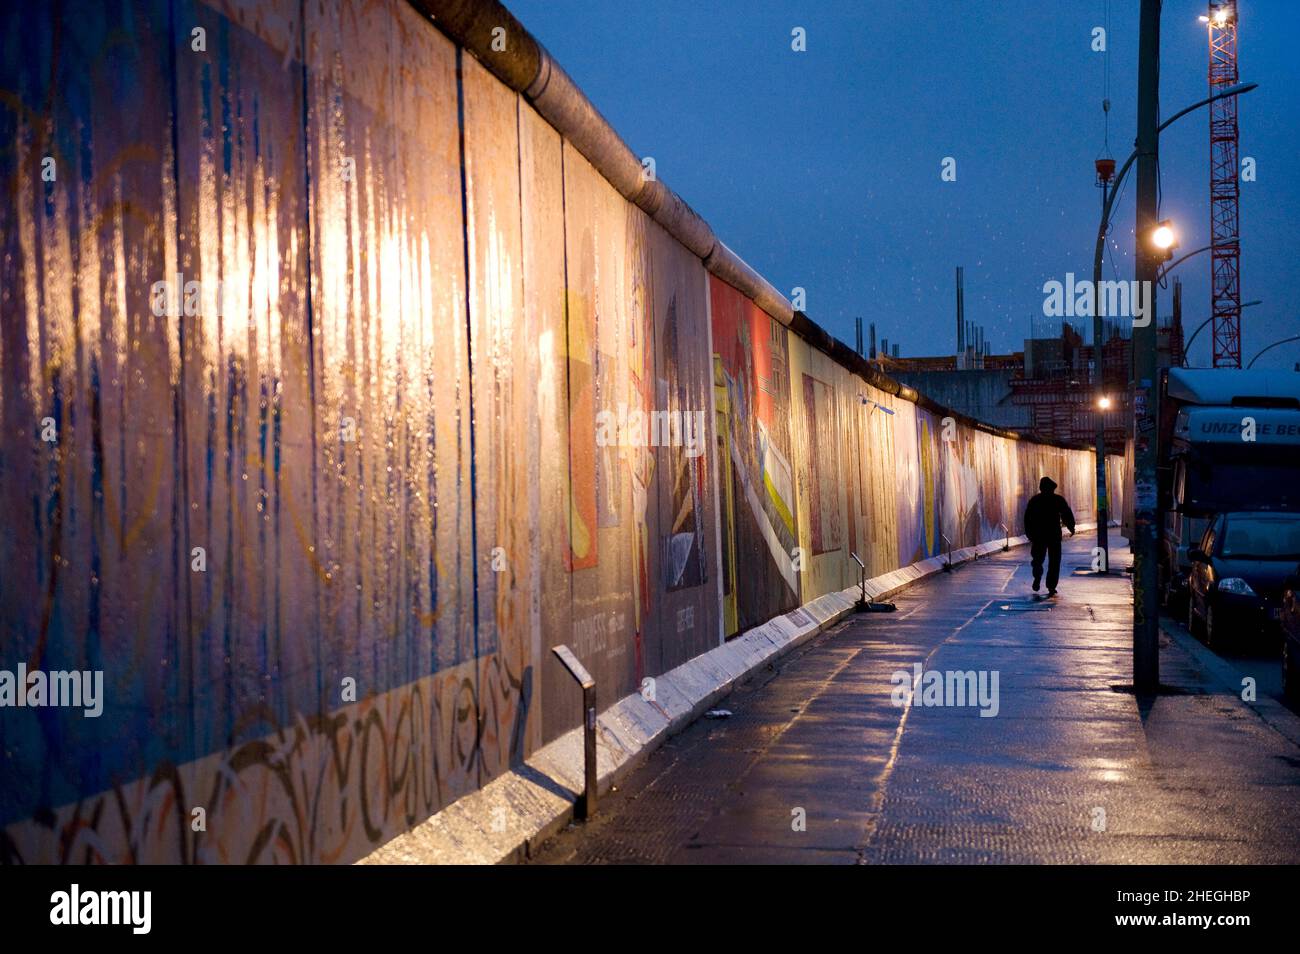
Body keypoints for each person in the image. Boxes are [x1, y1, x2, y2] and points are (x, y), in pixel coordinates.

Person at [1023, 476, 1075, 596]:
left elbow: (1028, 518)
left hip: (1038, 536)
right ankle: (1051, 586)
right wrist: (1071, 526)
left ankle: (1037, 576)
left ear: (1041, 488)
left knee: (1037, 559)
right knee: (1054, 562)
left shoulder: (1035, 500)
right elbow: (1066, 513)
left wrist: (1029, 533)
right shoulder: (1057, 500)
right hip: (1054, 535)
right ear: (1052, 488)